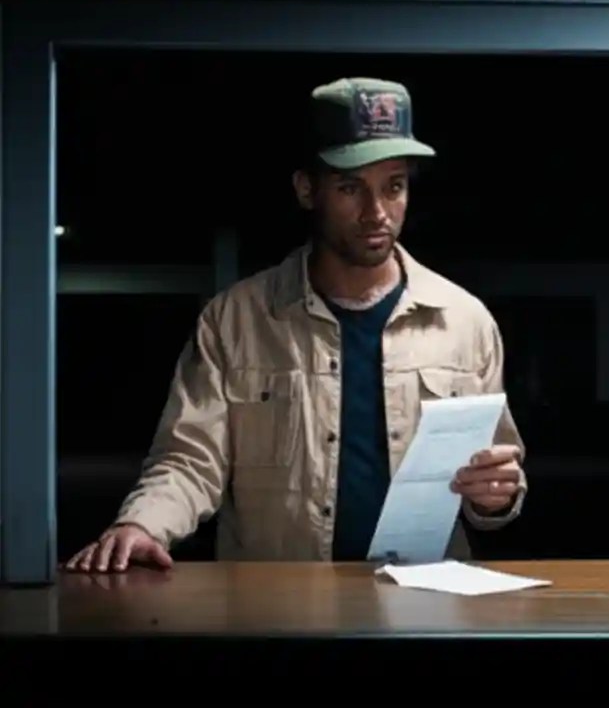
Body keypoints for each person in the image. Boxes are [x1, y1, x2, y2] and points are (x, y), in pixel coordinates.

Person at [65, 77, 527, 572]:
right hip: (281, 608)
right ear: (308, 190)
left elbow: (498, 474)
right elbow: (189, 459)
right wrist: (140, 526)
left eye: (393, 186)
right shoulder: (236, 320)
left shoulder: (464, 321)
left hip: (425, 604)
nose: (377, 213)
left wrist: (494, 496)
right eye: (351, 187)